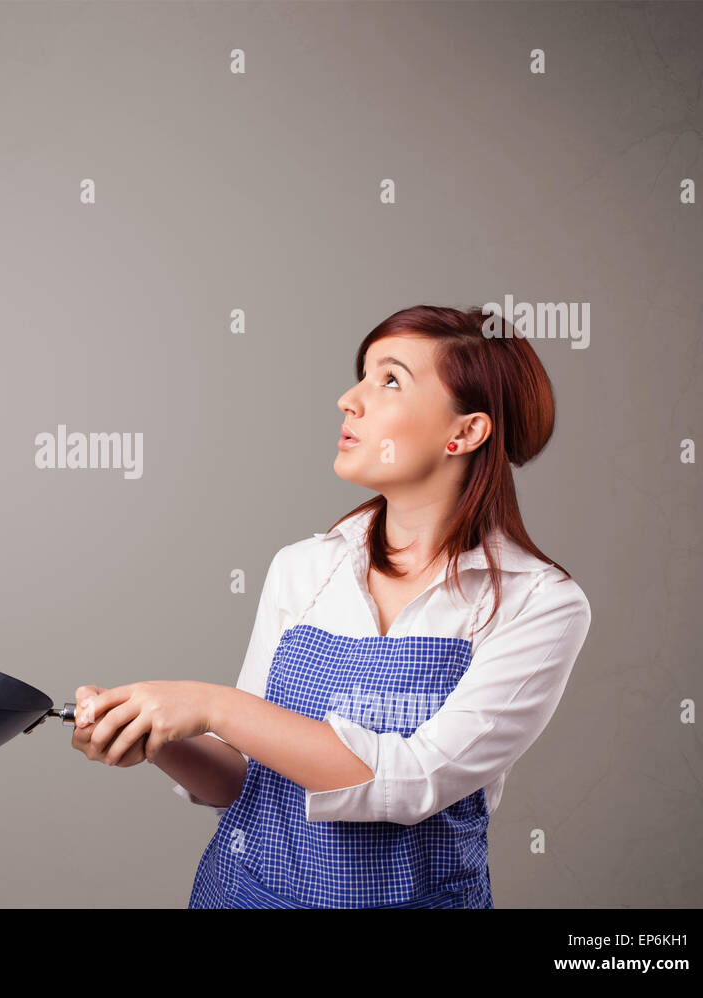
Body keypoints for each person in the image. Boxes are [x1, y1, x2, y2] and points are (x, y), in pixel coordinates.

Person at [71, 305, 593, 908]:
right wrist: (159, 734)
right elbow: (247, 779)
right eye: (361, 375)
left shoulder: (539, 605)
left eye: (389, 380)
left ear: (466, 433)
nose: (349, 399)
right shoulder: (304, 567)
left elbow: (414, 780)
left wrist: (211, 704)